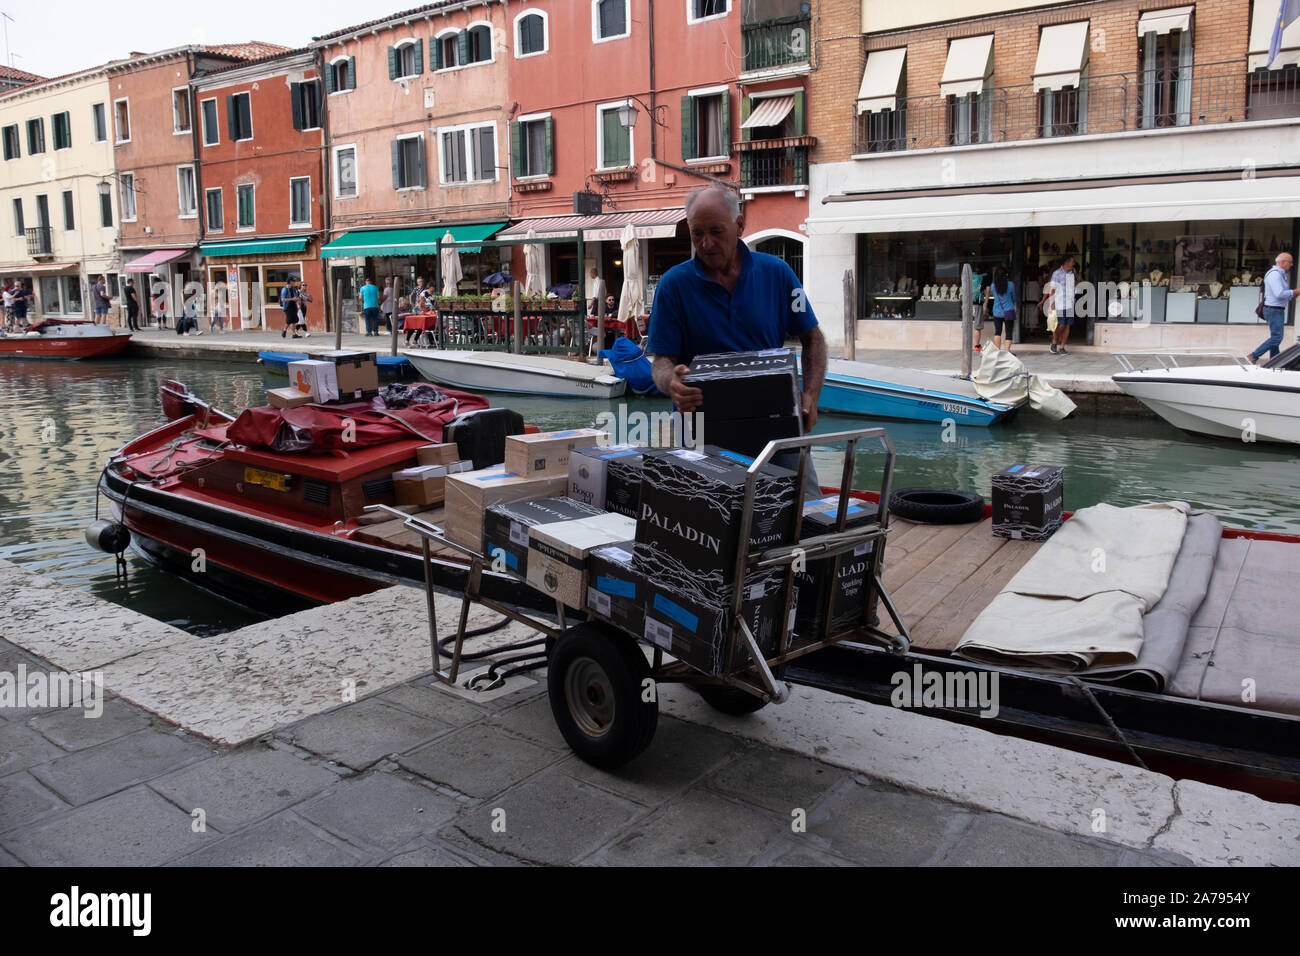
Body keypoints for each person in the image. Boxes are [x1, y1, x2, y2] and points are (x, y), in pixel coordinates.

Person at [648, 184, 826, 490]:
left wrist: (811, 394)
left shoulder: (779, 274)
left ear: (740, 225)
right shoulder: (673, 285)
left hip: (777, 419)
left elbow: (813, 338)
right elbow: (662, 360)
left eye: (716, 231)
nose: (706, 243)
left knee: (805, 506)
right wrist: (671, 383)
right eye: (697, 233)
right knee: (708, 514)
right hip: (700, 424)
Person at [1251, 252, 1300, 365]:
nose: (1292, 265)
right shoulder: (1275, 274)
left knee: (1275, 337)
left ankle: (1275, 361)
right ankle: (1253, 356)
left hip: (1275, 309)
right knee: (1277, 338)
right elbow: (1279, 293)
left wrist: (1292, 294)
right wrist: (1295, 292)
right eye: (1290, 262)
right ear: (1283, 262)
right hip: (1273, 310)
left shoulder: (1279, 274)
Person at [1040, 255, 1077, 354]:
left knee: (1068, 325)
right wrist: (1051, 304)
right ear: (1067, 262)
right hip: (1059, 303)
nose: (1074, 263)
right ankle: (1054, 341)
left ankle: (1062, 347)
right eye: (1072, 261)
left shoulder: (1073, 272)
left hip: (1070, 303)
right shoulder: (1057, 273)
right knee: (1061, 324)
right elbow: (1052, 289)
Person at [985, 265, 1017, 353]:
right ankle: (1007, 351)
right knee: (1009, 332)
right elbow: (1013, 297)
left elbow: (992, 294)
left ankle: (997, 351)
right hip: (1009, 311)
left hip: (997, 311)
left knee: (997, 332)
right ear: (1006, 274)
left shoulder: (993, 286)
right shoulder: (1011, 285)